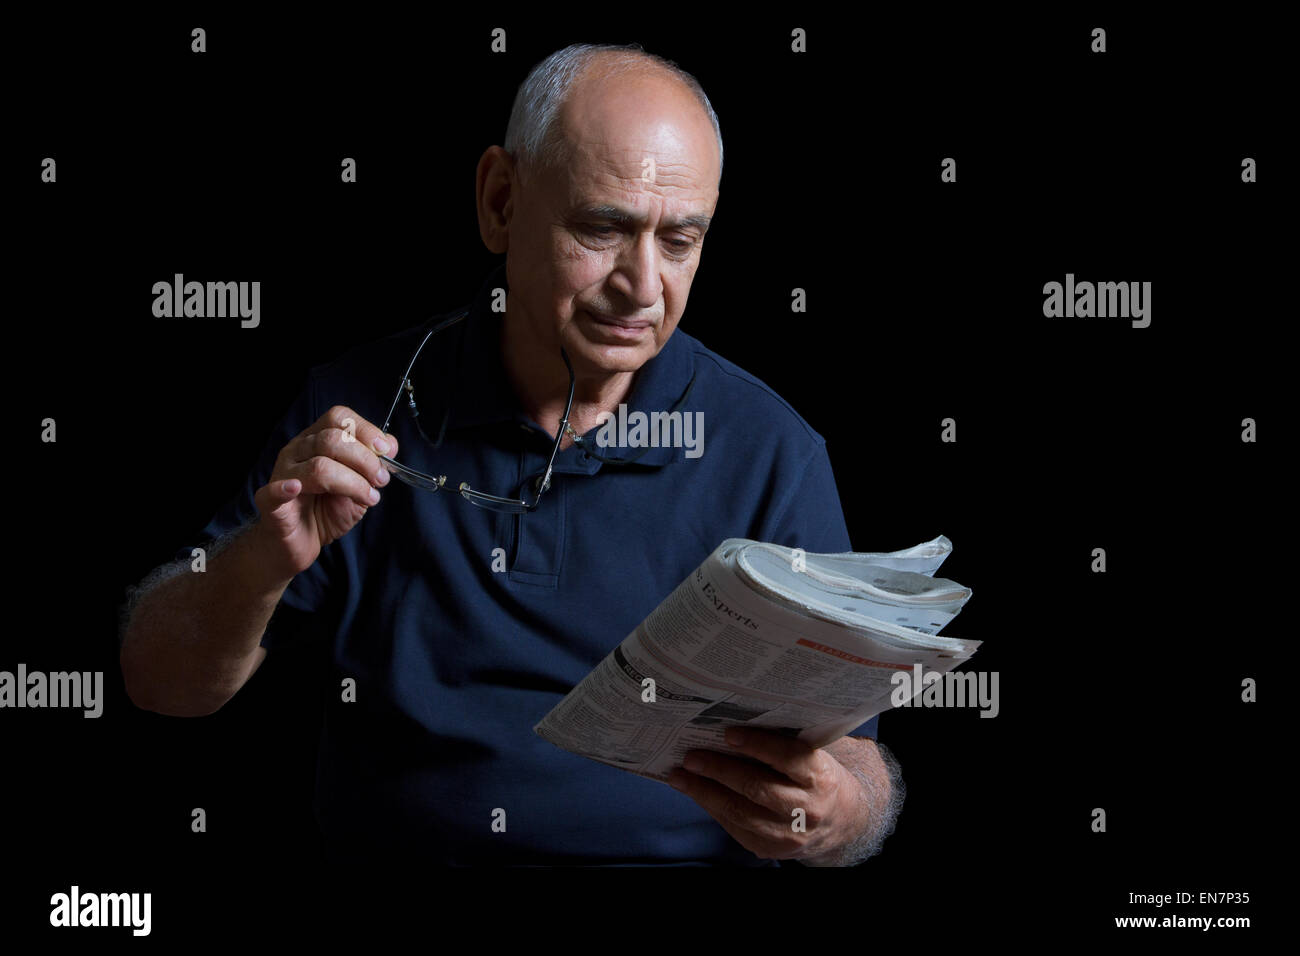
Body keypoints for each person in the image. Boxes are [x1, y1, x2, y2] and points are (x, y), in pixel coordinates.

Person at [119, 42, 905, 867]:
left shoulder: (772, 451)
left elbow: (856, 758)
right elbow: (159, 684)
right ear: (500, 200)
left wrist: (842, 810)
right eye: (603, 228)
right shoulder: (361, 403)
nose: (642, 286)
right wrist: (257, 563)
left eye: (679, 241)